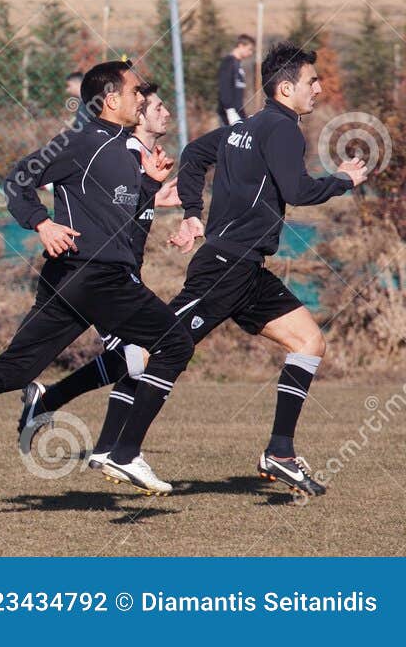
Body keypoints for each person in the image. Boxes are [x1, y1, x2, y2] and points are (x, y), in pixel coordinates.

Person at [0, 60, 194, 495]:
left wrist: (147, 189)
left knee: (12, 371)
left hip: (79, 280)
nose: (141, 97)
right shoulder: (80, 142)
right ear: (109, 100)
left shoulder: (126, 151)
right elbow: (17, 182)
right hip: (96, 275)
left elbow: (122, 226)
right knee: (176, 342)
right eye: (135, 91)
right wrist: (41, 223)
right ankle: (122, 454)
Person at [157, 42, 367, 497]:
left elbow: (193, 153)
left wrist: (193, 212)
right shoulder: (283, 130)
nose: (319, 87)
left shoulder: (249, 125)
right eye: (312, 81)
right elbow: (299, 190)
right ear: (286, 87)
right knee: (158, 344)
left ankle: (280, 452)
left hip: (247, 268)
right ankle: (60, 399)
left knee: (310, 341)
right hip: (227, 265)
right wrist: (344, 180)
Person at [20, 83, 177, 437]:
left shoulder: (140, 161)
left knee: (138, 357)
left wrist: (152, 196)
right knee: (141, 356)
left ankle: (53, 404)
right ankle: (109, 448)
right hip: (95, 275)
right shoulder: (116, 152)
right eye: (155, 106)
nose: (163, 112)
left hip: (119, 275)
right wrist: (43, 222)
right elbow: (43, 180)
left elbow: (122, 214)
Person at [218, 34, 256, 126]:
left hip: (238, 111)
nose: (250, 53)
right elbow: (225, 87)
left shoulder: (238, 64)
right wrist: (230, 111)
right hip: (229, 114)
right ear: (241, 46)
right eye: (249, 49)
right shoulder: (229, 62)